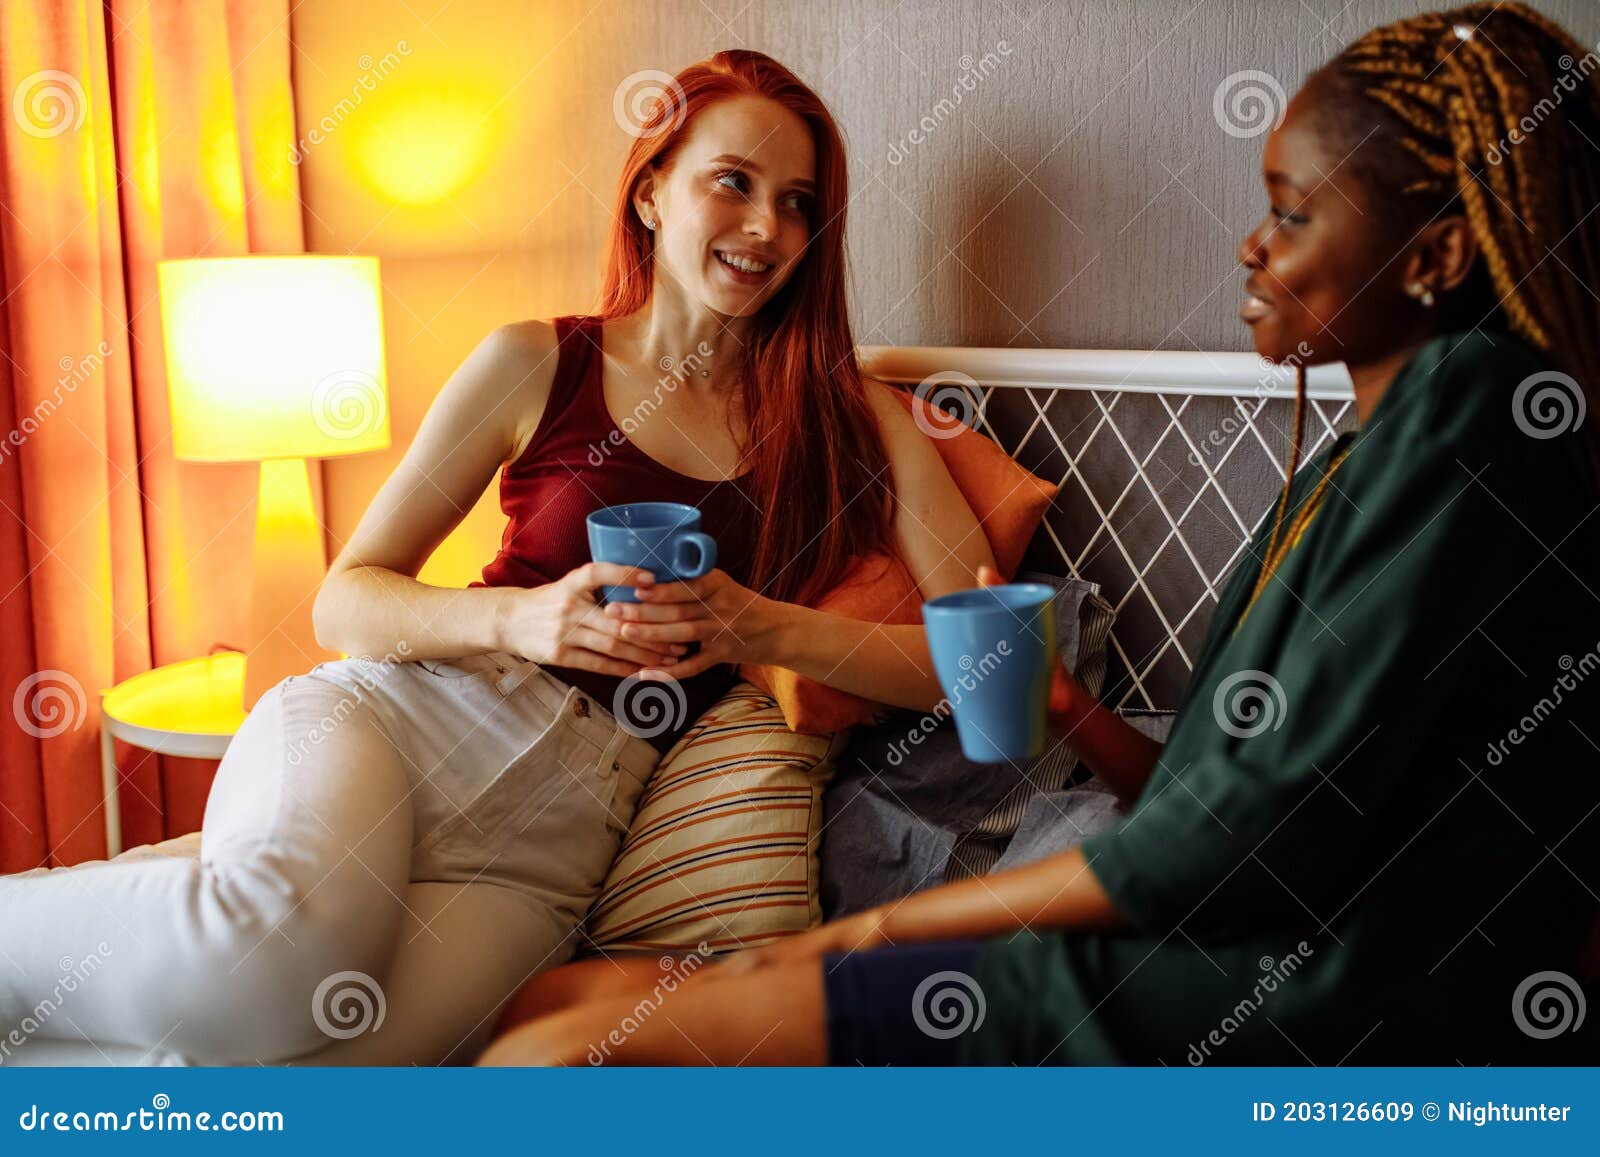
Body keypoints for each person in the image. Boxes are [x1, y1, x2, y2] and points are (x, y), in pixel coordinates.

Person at [478, 3, 1600, 1066]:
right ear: (649, 194)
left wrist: (870, 934)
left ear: (1436, 258)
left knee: (560, 1053)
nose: (1251, 249)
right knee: (549, 993)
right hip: (1210, 938)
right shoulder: (1358, 453)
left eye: (1293, 213)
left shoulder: (1479, 416)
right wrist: (1072, 709)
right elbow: (1216, 799)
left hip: (1294, 996)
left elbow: (1235, 849)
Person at [0, 50, 997, 1066]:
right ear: (651, 191)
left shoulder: (853, 420)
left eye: (795, 203)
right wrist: (521, 617)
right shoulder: (534, 362)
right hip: (401, 725)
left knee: (305, 1079)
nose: (765, 228)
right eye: (732, 182)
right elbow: (345, 601)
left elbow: (992, 657)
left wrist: (763, 624)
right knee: (263, 968)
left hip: (548, 852)